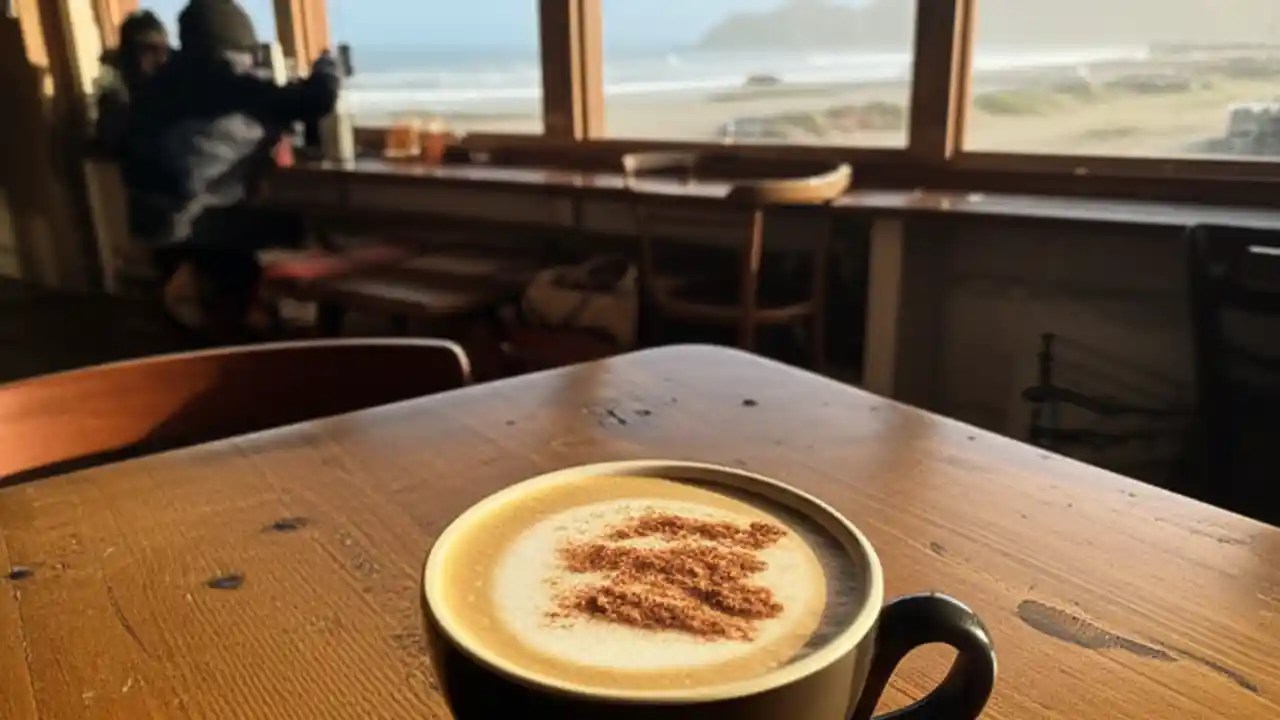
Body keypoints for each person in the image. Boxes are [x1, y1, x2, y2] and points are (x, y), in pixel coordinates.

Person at [122, 0, 339, 335]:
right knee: (305, 231)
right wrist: (327, 65)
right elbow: (316, 99)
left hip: (154, 224)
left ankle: (231, 314)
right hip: (201, 225)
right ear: (234, 48)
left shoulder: (158, 84)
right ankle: (272, 332)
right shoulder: (227, 81)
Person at [95, 11, 170, 156]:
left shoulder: (170, 89)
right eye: (150, 51)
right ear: (128, 57)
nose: (161, 60)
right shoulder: (116, 103)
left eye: (164, 51)